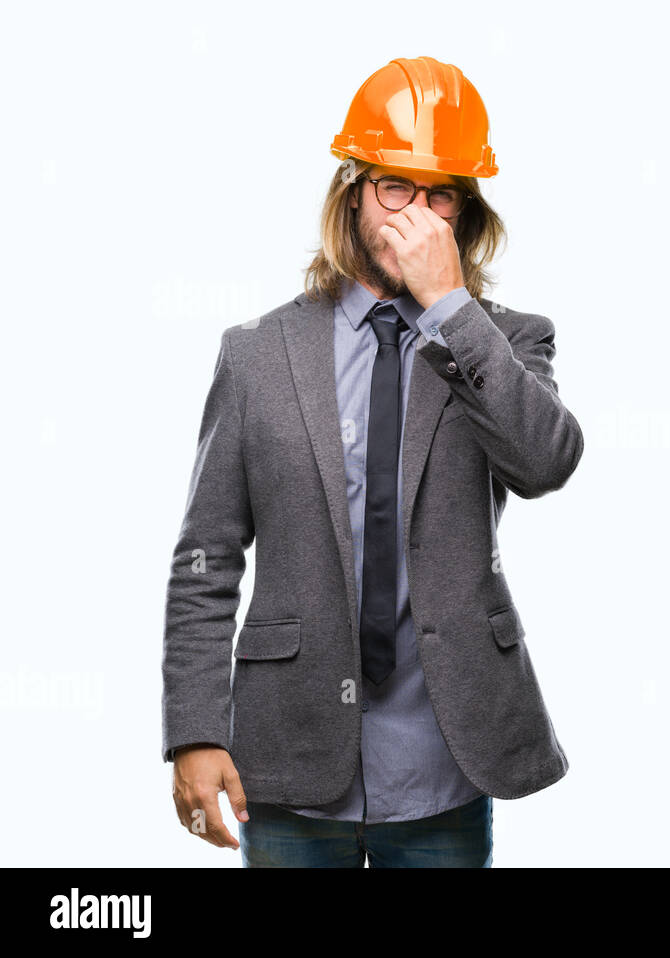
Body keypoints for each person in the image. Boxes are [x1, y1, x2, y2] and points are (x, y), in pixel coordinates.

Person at [161, 56, 583, 867]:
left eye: (440, 195)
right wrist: (195, 730)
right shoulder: (257, 355)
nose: (415, 218)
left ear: (464, 212)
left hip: (443, 769)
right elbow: (205, 559)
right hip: (288, 763)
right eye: (395, 186)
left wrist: (452, 308)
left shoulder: (508, 340)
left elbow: (546, 462)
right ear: (353, 190)